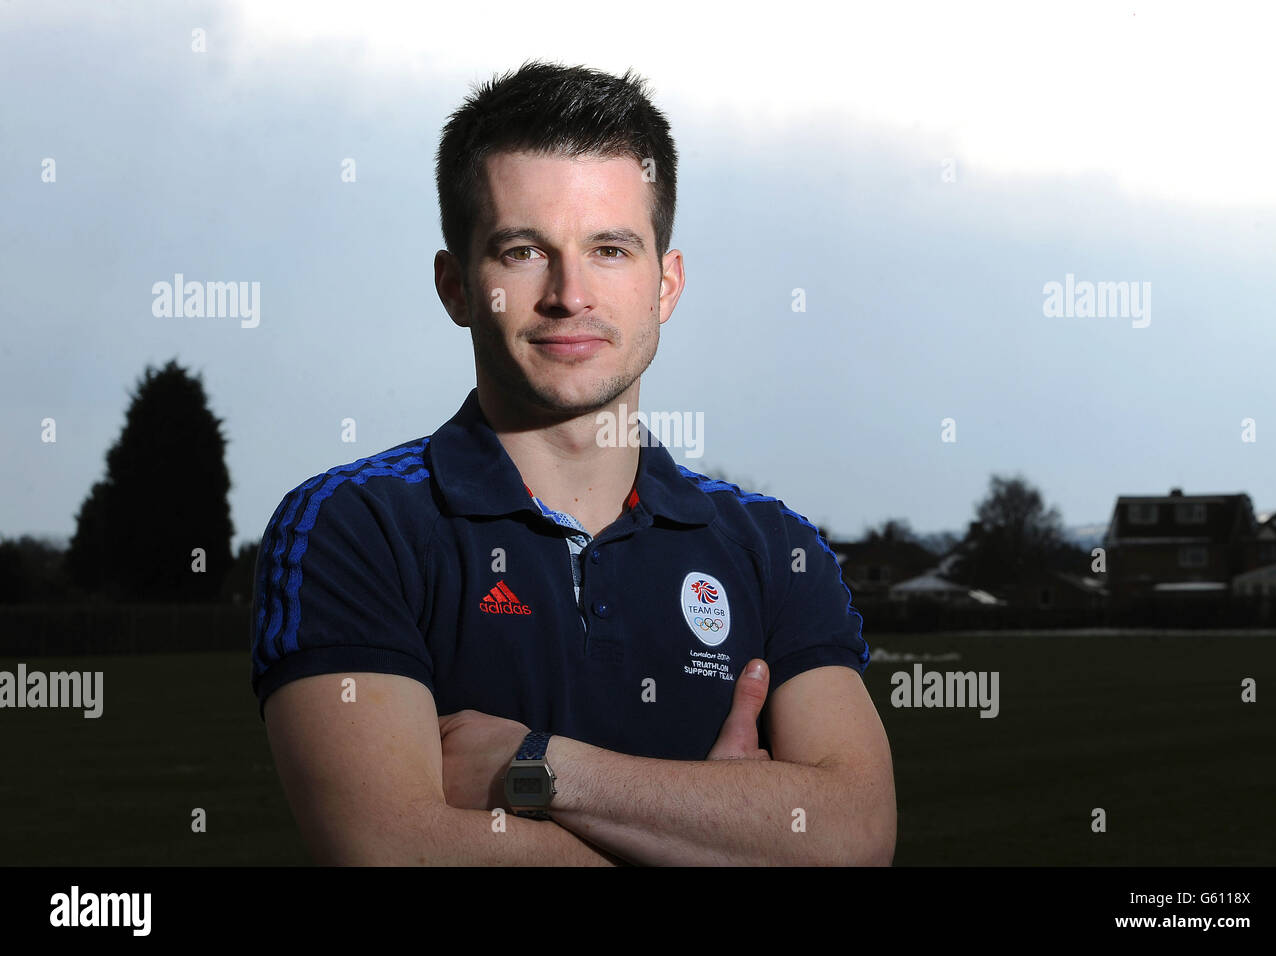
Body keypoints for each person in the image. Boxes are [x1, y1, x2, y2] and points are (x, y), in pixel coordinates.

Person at [250, 59, 895, 866]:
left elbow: (854, 837)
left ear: (666, 284)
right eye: (523, 251)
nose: (569, 294)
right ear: (456, 287)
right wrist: (722, 835)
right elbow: (391, 851)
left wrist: (542, 768)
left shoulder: (772, 547)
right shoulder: (356, 527)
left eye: (611, 250)